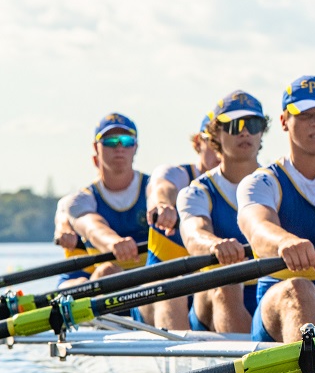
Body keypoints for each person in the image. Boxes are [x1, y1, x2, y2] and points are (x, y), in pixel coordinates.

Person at [238, 76, 315, 343]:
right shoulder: (262, 182)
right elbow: (256, 226)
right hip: (281, 304)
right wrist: (285, 241)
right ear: (283, 122)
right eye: (306, 116)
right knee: (300, 289)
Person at [177, 91, 268, 333]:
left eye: (253, 124)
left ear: (262, 132)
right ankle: (253, 365)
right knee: (228, 283)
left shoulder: (278, 183)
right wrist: (214, 244)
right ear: (216, 134)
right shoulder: (197, 192)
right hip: (215, 298)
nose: (245, 132)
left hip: (268, 291)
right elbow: (194, 233)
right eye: (234, 125)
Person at [138, 113, 222, 329]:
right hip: (159, 292)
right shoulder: (177, 174)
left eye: (224, 141)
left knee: (223, 287)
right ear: (198, 142)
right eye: (213, 141)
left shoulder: (250, 186)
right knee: (172, 290)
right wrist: (163, 205)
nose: (220, 149)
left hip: (206, 293)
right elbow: (162, 187)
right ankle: (182, 360)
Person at [60, 113, 150, 288]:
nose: (119, 147)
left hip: (153, 285)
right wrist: (113, 243)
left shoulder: (154, 189)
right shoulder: (82, 199)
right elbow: (93, 228)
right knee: (108, 271)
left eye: (126, 141)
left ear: (136, 147)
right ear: (96, 147)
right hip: (104, 286)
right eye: (110, 141)